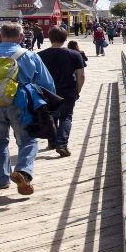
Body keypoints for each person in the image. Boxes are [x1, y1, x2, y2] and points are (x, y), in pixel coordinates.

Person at [0, 22, 55, 195]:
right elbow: (47, 83)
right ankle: (23, 171)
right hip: (21, 103)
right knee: (28, 140)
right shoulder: (29, 55)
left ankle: (1, 179)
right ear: (21, 36)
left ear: (0, 36)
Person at [38, 27, 86, 158]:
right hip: (68, 90)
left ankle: (52, 142)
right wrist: (77, 90)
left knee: (51, 116)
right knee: (66, 117)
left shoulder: (40, 55)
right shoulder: (75, 54)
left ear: (50, 38)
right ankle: (62, 144)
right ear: (65, 38)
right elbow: (81, 76)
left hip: (48, 92)